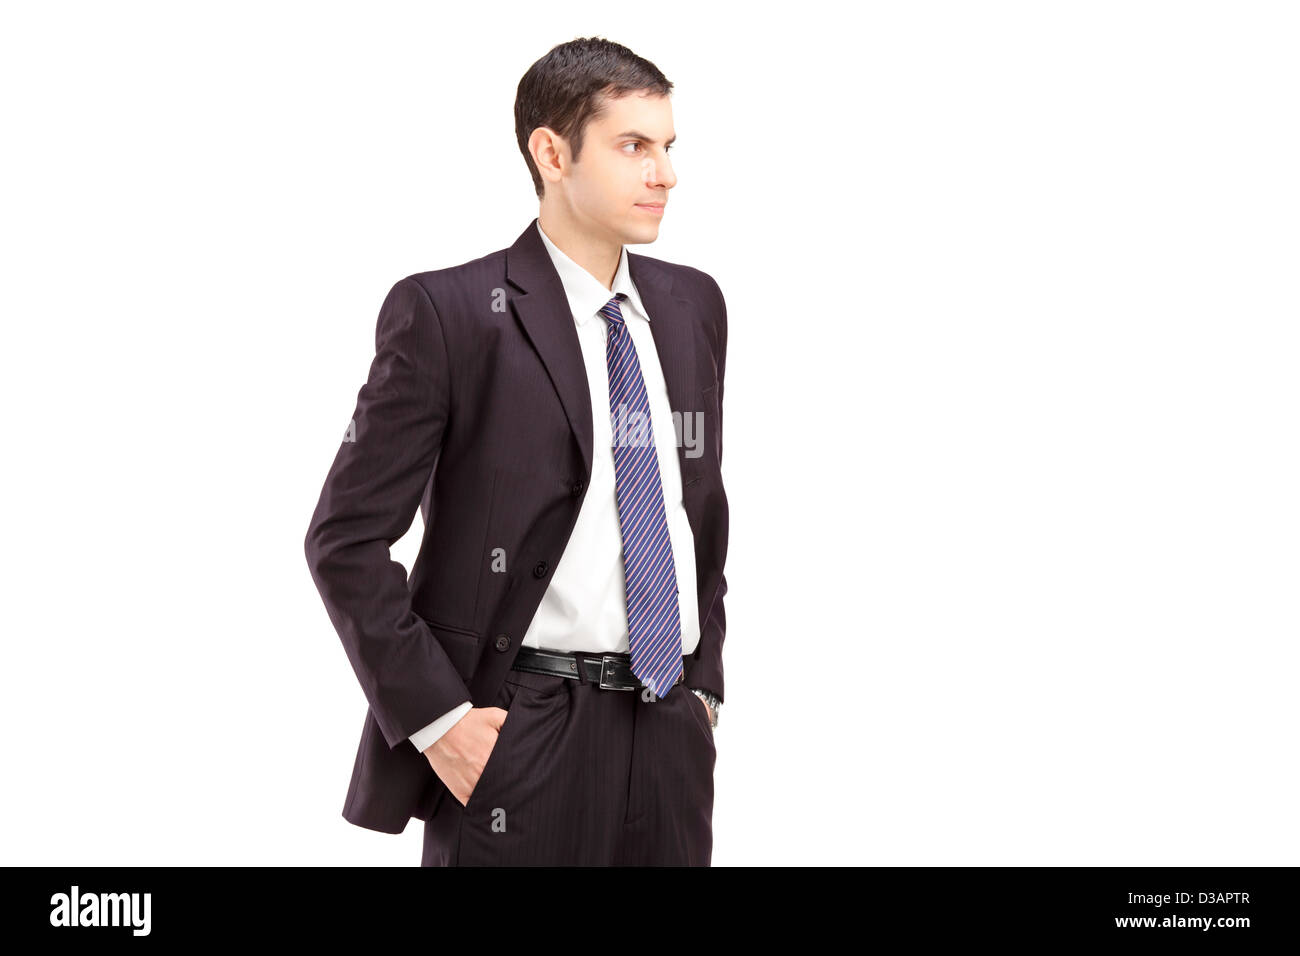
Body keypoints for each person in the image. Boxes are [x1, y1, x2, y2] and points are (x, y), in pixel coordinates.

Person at [304, 36, 729, 866]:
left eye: (669, 147)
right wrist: (441, 724)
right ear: (552, 152)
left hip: (670, 736)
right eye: (634, 146)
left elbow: (698, 511)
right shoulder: (451, 314)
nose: (666, 175)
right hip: (522, 734)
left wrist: (704, 683)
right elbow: (344, 541)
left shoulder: (694, 306)